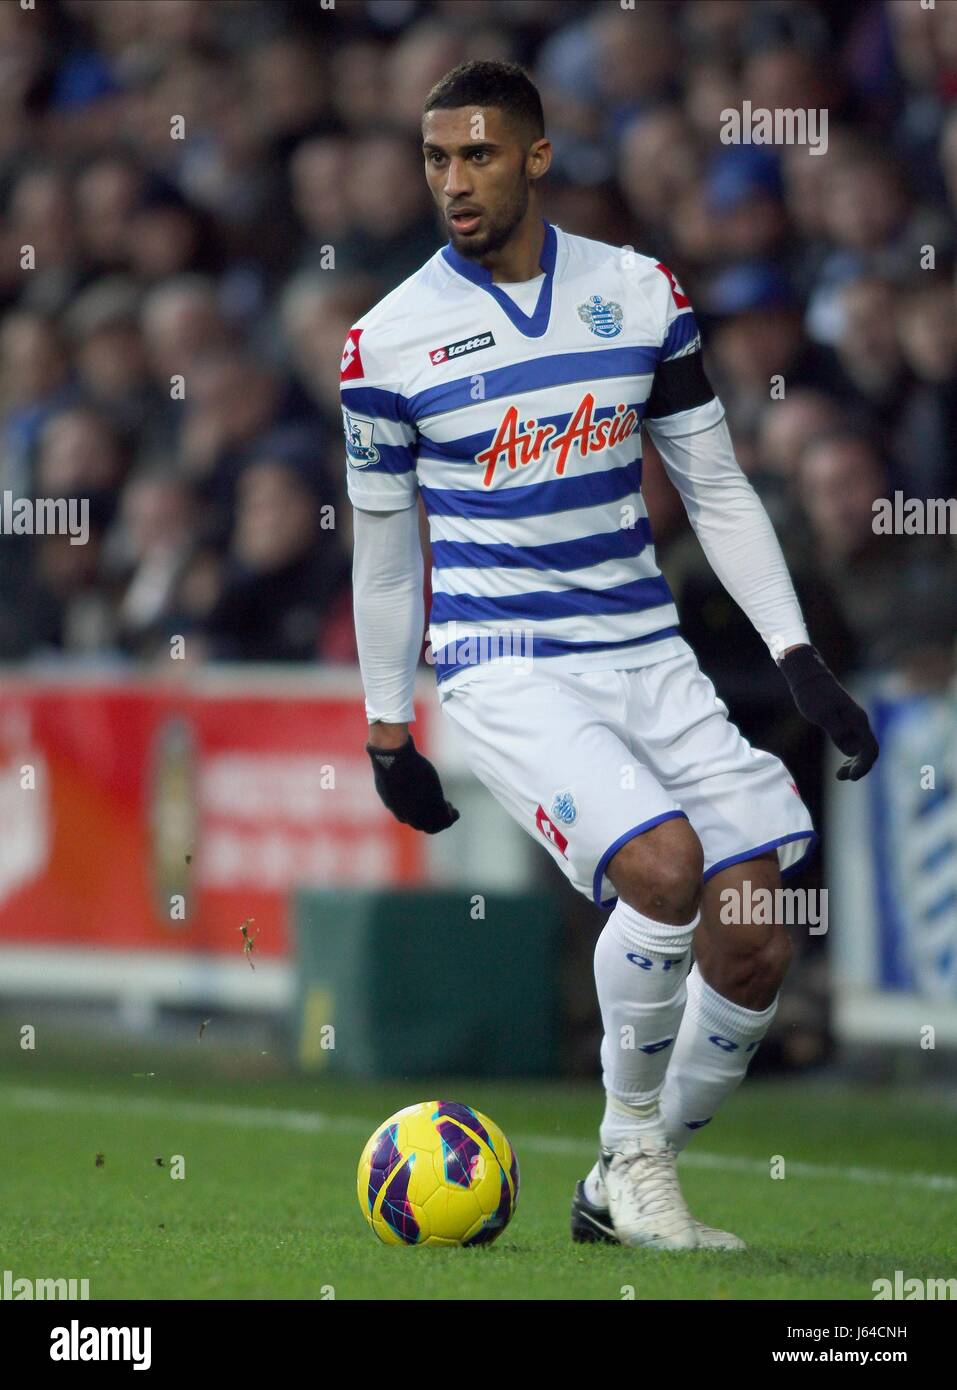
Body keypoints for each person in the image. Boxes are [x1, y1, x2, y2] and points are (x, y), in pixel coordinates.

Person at [341, 61, 878, 1252]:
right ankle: (637, 1152)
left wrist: (796, 653)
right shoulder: (385, 343)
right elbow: (385, 555)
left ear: (537, 156)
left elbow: (715, 482)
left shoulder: (638, 293)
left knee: (755, 933)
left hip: (648, 649)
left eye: (478, 154)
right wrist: (389, 726)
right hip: (506, 659)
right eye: (435, 158)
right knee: (667, 868)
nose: (453, 180)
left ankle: (614, 1177)